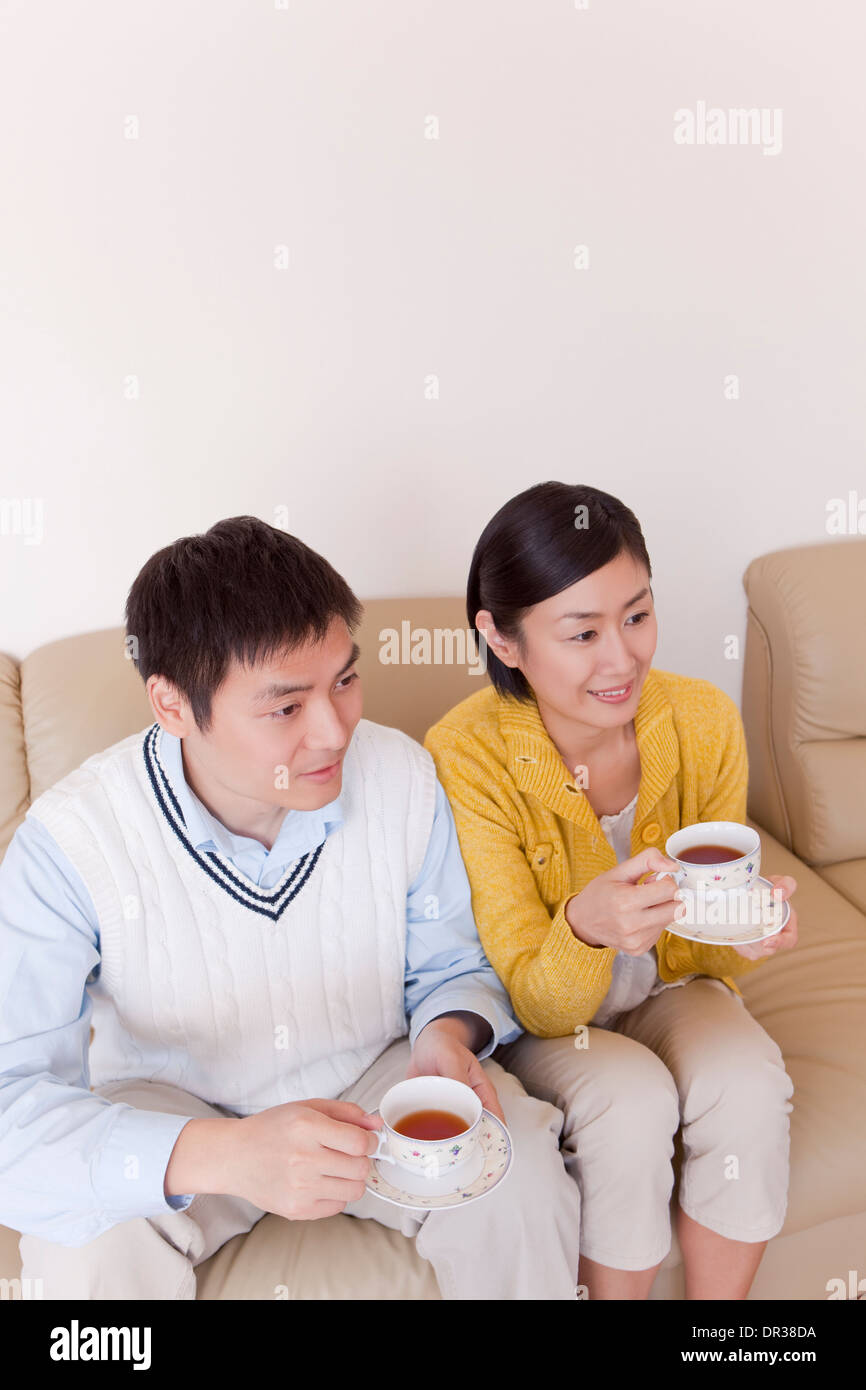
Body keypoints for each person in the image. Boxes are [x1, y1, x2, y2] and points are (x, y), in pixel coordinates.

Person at [0, 515, 581, 1301]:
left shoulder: (403, 776)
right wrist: (224, 1154)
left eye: (345, 679)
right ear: (172, 706)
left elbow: (452, 963)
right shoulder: (70, 844)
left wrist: (447, 1035)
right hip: (174, 1117)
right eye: (285, 708)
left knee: (516, 1176)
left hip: (375, 1077)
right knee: (86, 1255)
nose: (335, 730)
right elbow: (13, 1106)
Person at [423, 481, 797, 1300]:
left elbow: (700, 954)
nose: (622, 658)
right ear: (503, 638)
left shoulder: (701, 719)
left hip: (672, 989)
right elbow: (530, 991)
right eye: (582, 632)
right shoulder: (467, 753)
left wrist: (741, 931)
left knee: (750, 1081)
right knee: (627, 1103)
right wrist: (586, 930)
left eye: (636, 616)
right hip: (545, 1013)